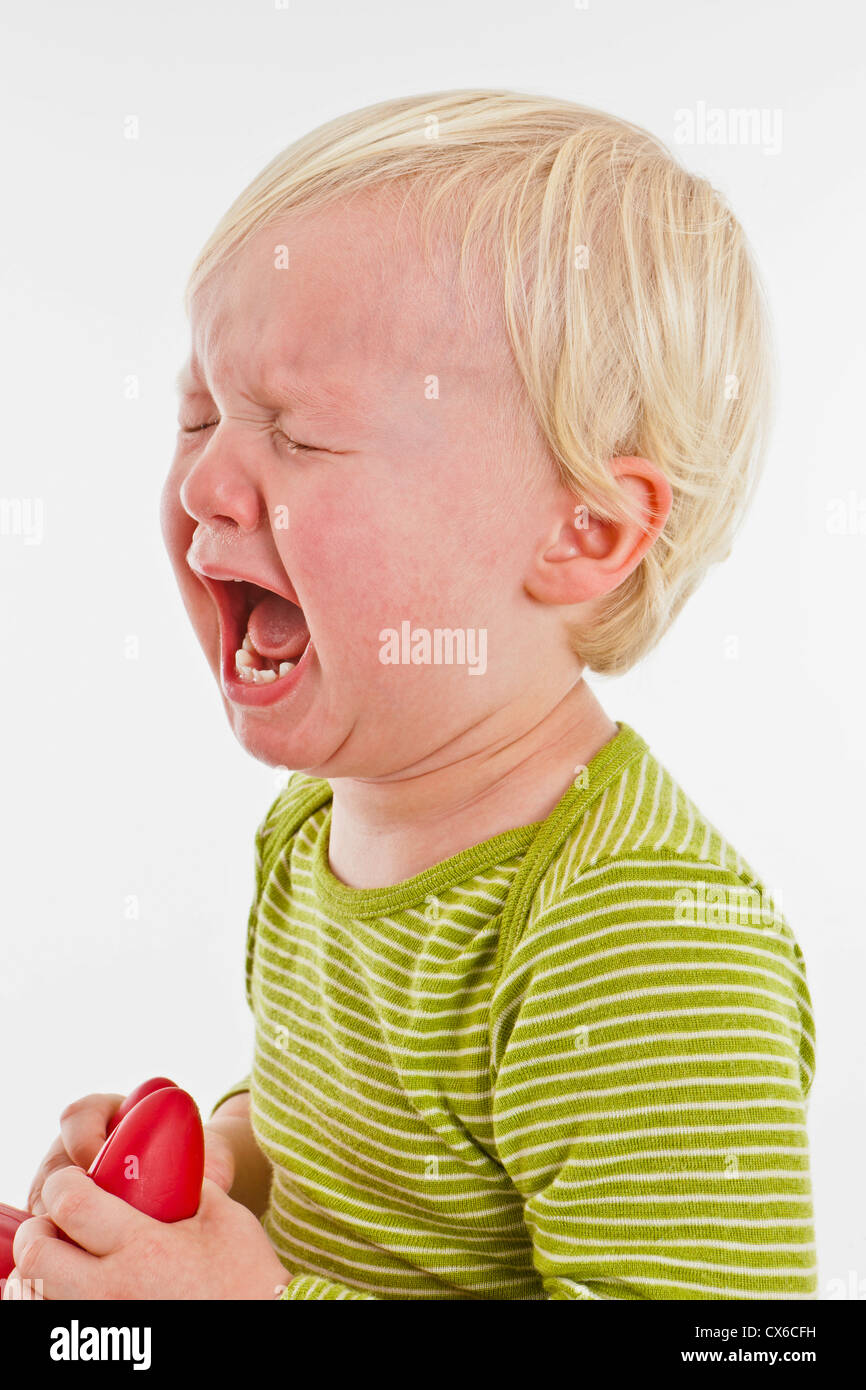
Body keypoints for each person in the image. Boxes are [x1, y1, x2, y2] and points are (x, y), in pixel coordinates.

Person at [17, 89, 815, 1300]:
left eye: (298, 435)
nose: (205, 482)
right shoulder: (318, 817)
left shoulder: (639, 941)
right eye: (199, 414)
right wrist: (228, 1168)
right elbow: (373, 1155)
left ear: (583, 529)